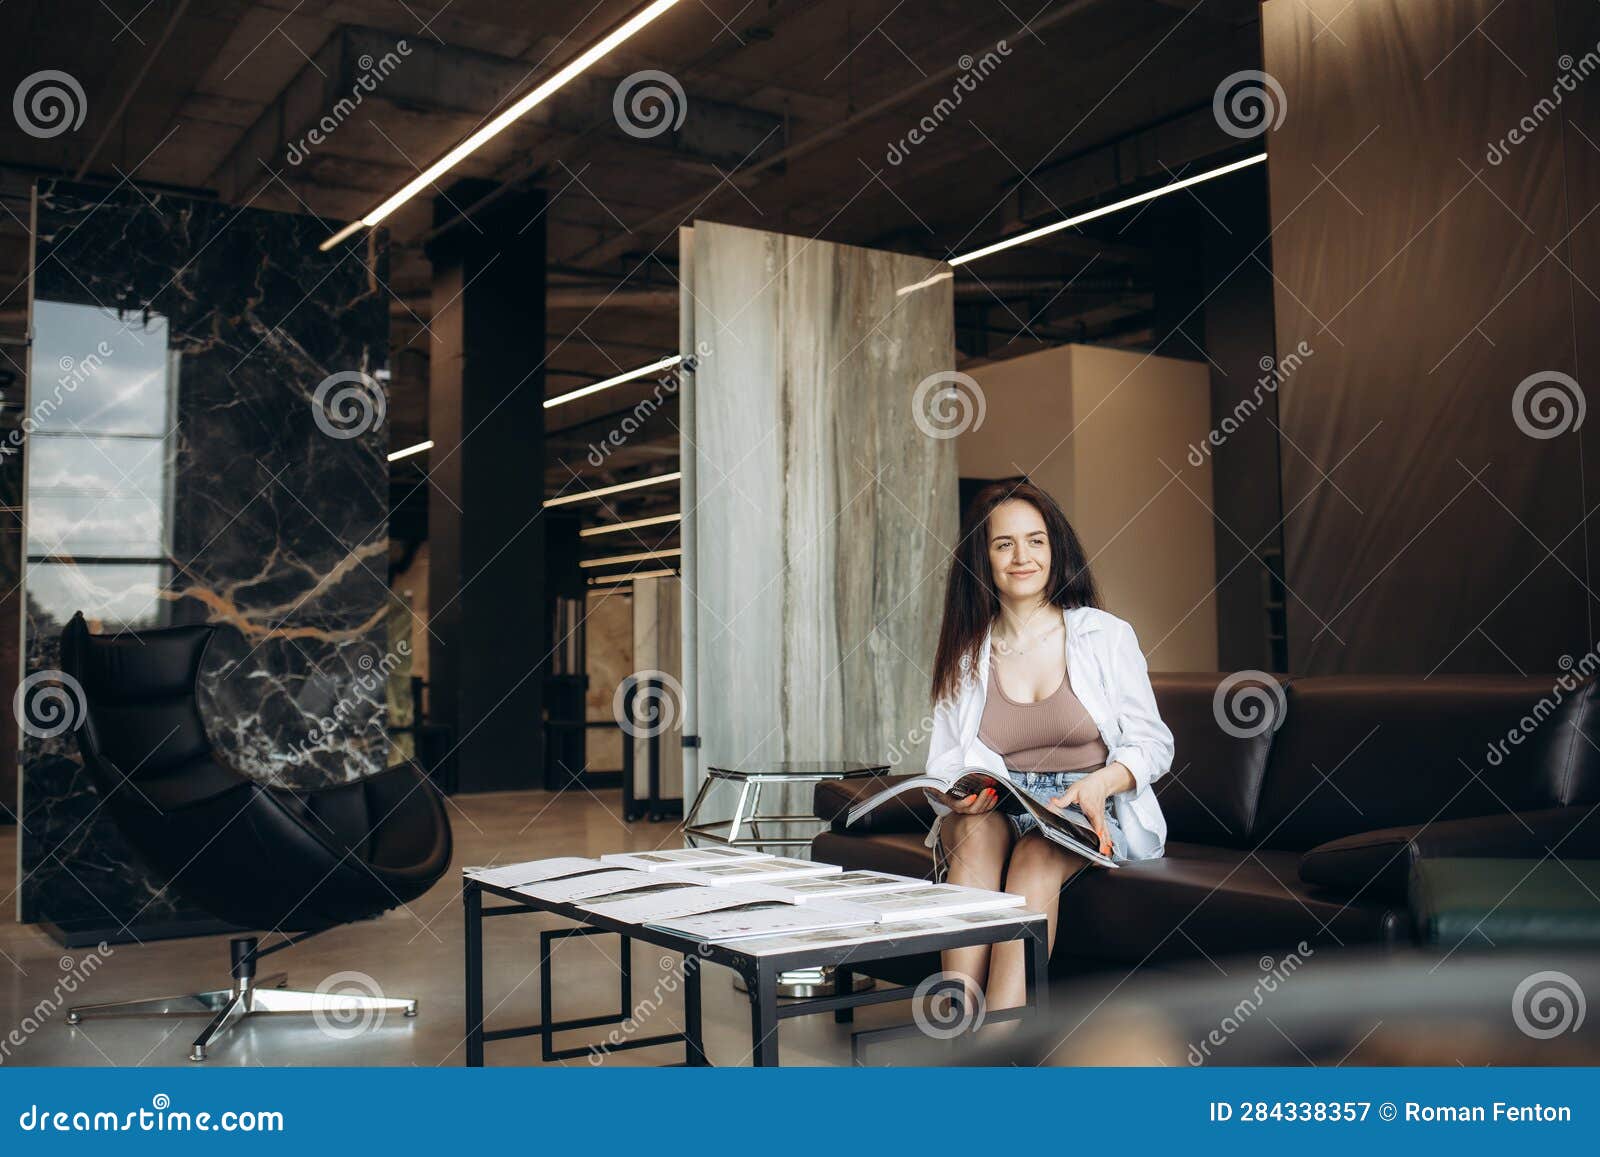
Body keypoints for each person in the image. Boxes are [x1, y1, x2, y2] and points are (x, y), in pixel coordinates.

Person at [926, 480, 1173, 1012]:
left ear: (1055, 550)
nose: (1023, 557)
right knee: (968, 833)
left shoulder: (1104, 636)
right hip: (1003, 802)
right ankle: (955, 1020)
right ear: (983, 559)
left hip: (1086, 805)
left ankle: (998, 1041)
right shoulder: (966, 652)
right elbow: (945, 760)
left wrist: (1103, 780)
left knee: (1037, 856)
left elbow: (1153, 743)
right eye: (1004, 544)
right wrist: (957, 795)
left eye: (1036, 541)